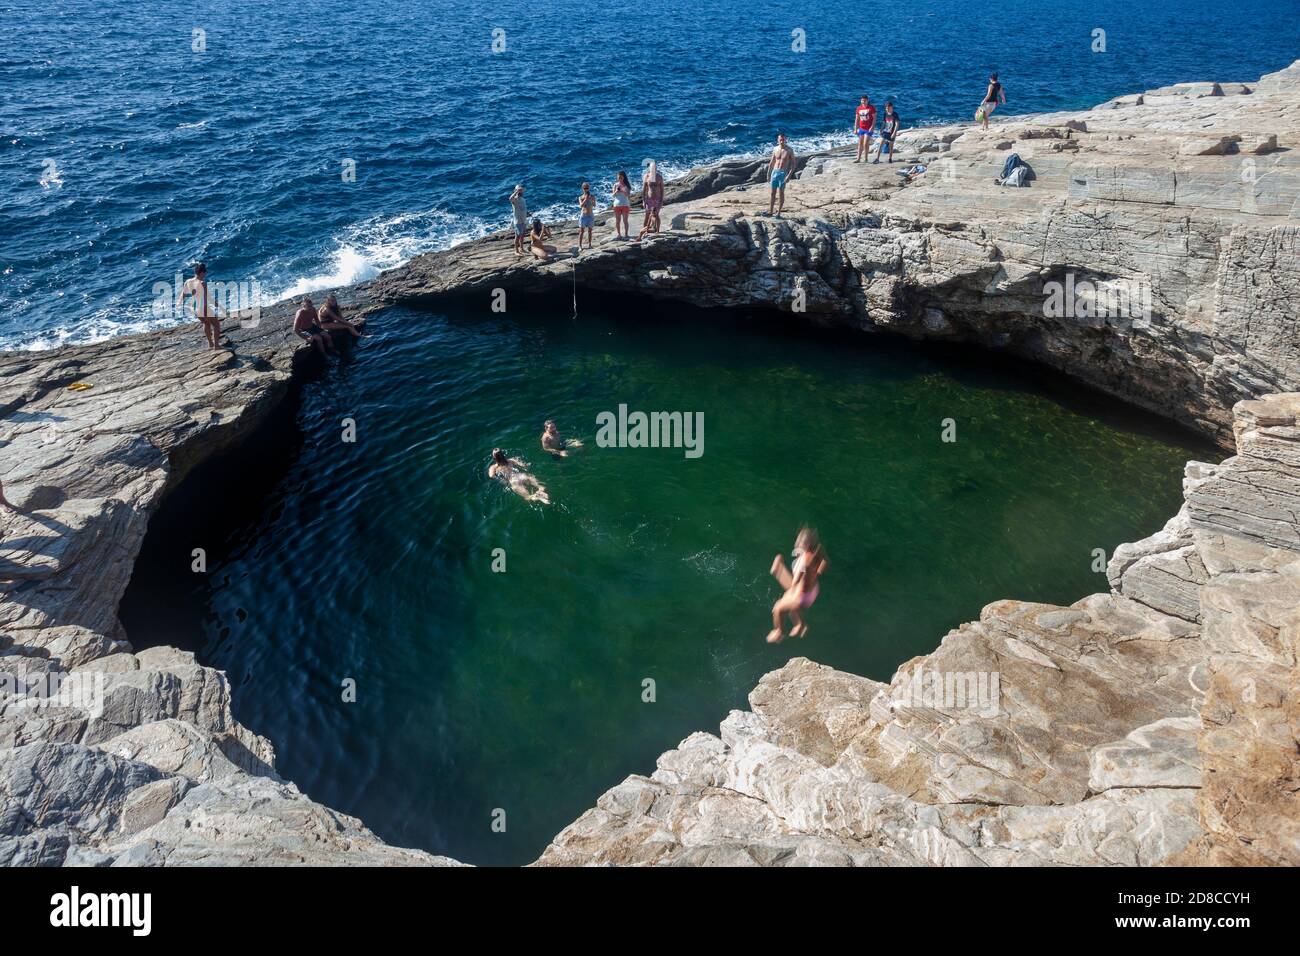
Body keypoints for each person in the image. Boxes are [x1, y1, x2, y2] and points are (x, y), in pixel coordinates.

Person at [766, 527, 828, 643]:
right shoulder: (818, 550)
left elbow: (794, 583)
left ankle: (778, 632)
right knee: (788, 596)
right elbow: (825, 561)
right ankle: (799, 625)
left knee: (778, 607)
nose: (796, 543)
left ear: (805, 545)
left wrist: (779, 567)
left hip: (803, 598)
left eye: (798, 542)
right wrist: (816, 574)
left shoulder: (803, 562)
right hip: (813, 590)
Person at [178, 262, 224, 350]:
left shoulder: (188, 281)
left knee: (206, 323)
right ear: (202, 273)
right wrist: (220, 307)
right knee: (216, 325)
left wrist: (179, 303)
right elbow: (209, 299)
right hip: (203, 307)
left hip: (194, 308)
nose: (205, 274)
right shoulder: (202, 283)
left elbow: (183, 294)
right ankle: (216, 346)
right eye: (205, 272)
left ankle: (211, 344)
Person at [768, 133, 796, 217]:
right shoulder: (775, 149)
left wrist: (789, 176)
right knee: (772, 193)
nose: (781, 141)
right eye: (780, 140)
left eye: (783, 140)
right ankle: (771, 211)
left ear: (785, 140)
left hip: (783, 173)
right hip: (775, 172)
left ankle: (779, 213)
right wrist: (768, 174)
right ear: (777, 140)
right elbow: (772, 162)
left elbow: (793, 164)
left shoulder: (789, 150)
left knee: (781, 193)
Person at [636, 161, 664, 241]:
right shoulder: (646, 176)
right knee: (647, 215)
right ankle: (645, 232)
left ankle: (657, 230)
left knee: (656, 215)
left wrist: (661, 200)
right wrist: (644, 200)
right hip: (649, 199)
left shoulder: (659, 177)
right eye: (652, 167)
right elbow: (644, 189)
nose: (653, 169)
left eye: (655, 167)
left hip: (657, 199)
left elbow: (662, 190)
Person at [854, 96, 877, 163]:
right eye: (862, 100)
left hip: (868, 129)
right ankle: (858, 158)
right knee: (860, 143)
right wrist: (855, 128)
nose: (863, 102)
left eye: (864, 100)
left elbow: (875, 118)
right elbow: (857, 118)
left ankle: (866, 159)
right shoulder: (858, 108)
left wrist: (872, 127)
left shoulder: (871, 108)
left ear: (867, 100)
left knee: (865, 143)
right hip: (861, 128)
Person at [611, 171, 632, 239]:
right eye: (619, 177)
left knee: (625, 221)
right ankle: (619, 234)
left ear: (623, 177)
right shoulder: (615, 185)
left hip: (625, 204)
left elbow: (628, 195)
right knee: (618, 221)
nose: (620, 178)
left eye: (621, 177)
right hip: (617, 205)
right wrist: (617, 191)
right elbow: (613, 196)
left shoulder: (627, 185)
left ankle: (626, 234)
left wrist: (622, 191)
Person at [509, 185, 529, 255]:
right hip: (518, 221)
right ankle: (516, 251)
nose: (521, 192)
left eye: (521, 190)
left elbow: (524, 209)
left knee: (522, 235)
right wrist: (516, 191)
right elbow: (510, 198)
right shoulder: (515, 199)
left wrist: (528, 213)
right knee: (517, 236)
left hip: (523, 220)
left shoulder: (523, 199)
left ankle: (522, 248)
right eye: (519, 190)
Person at [577, 182, 596, 250]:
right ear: (582, 189)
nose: (586, 189)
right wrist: (585, 199)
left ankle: (590, 244)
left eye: (587, 188)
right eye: (584, 188)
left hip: (590, 215)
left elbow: (594, 205)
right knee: (581, 231)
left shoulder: (592, 196)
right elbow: (581, 205)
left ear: (589, 188)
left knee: (590, 231)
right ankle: (580, 246)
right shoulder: (581, 197)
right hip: (584, 216)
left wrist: (591, 199)